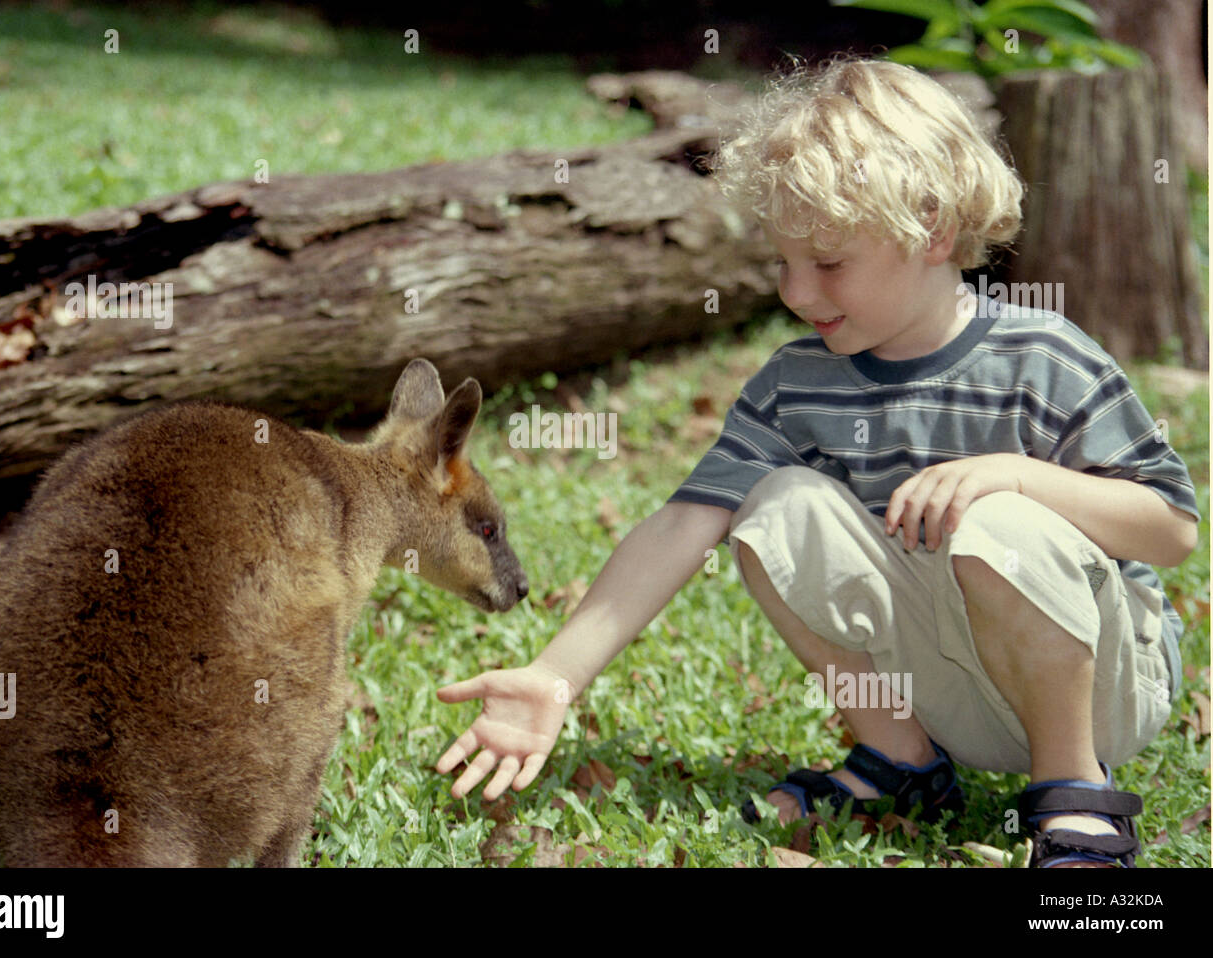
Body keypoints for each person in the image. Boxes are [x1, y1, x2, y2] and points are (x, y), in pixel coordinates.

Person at [435, 56, 1200, 868]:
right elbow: (685, 525)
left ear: (932, 229)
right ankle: (900, 761)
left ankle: (1073, 791)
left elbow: (1172, 531)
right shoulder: (797, 383)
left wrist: (1016, 477)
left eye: (828, 263)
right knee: (774, 505)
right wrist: (556, 676)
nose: (798, 291)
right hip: (950, 687)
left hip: (1101, 686)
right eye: (784, 261)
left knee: (1000, 520)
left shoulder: (1043, 355)